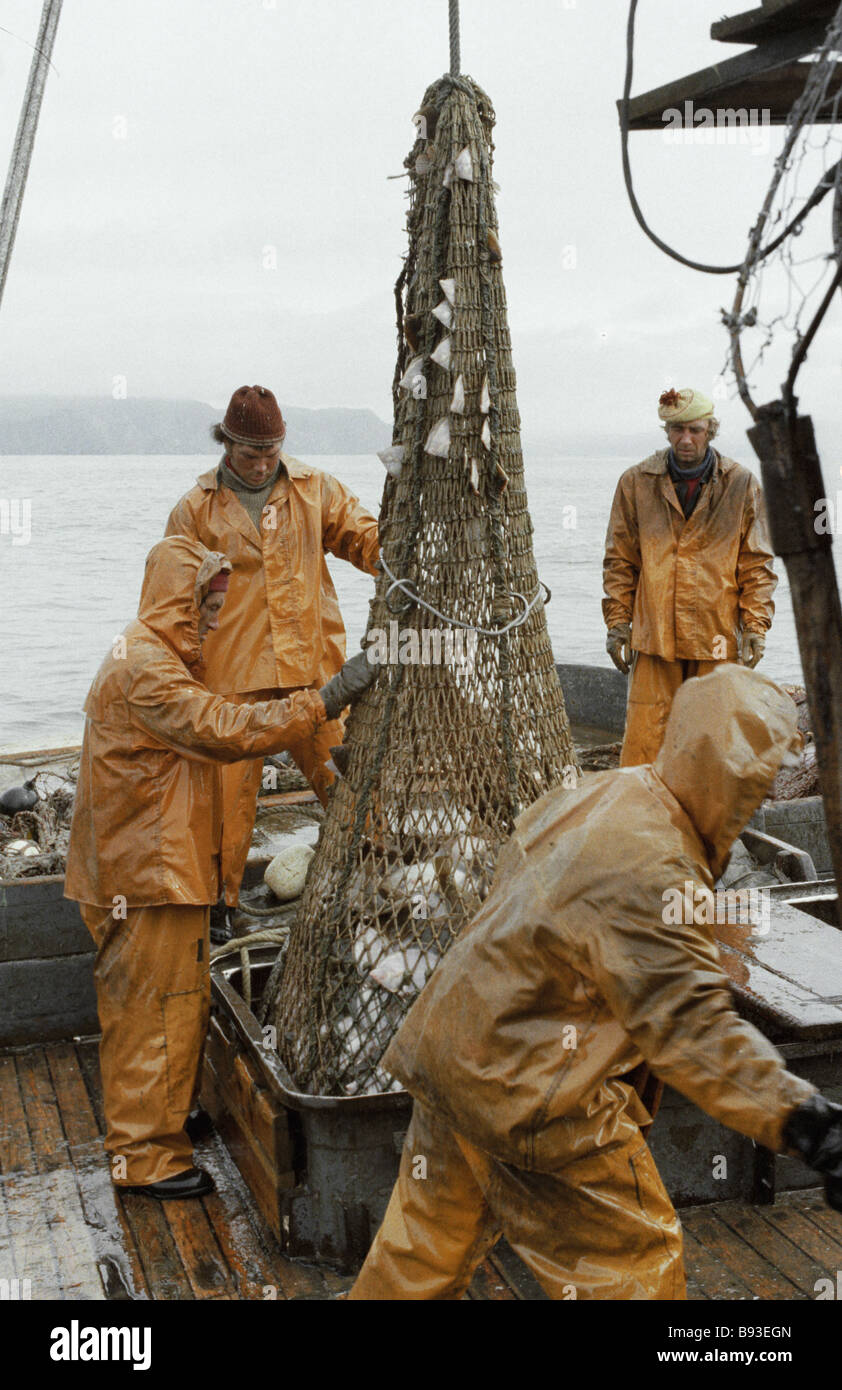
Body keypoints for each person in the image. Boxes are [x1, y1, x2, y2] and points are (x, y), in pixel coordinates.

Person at [348, 666, 842, 1300]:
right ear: (731, 780)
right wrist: (810, 1125)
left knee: (418, 1252)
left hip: (452, 1053)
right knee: (633, 1265)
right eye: (757, 781)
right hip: (529, 1096)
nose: (765, 793)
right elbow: (692, 1032)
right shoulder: (658, 868)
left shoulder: (609, 791)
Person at [64, 534, 375, 1199]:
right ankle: (144, 1158)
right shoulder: (146, 669)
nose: (213, 618)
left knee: (173, 1008)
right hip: (146, 878)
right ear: (177, 598)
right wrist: (324, 700)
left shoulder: (152, 655)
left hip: (145, 869)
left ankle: (162, 1121)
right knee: (151, 1013)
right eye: (206, 605)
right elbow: (227, 730)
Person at [164, 384, 380, 941]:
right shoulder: (195, 509)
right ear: (226, 444)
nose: (261, 466)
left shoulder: (315, 490)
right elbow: (171, 598)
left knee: (349, 780)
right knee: (223, 807)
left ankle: (376, 880)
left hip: (316, 676)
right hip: (232, 685)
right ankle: (219, 909)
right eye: (249, 454)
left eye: (271, 453)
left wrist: (404, 552)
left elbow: (365, 539)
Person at [603, 386, 777, 766]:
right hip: (655, 638)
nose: (686, 438)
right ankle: (644, 823)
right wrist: (618, 624)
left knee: (712, 747)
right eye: (677, 429)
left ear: (710, 430)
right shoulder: (635, 483)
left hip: (715, 637)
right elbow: (620, 561)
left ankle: (705, 824)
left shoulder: (741, 484)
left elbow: (757, 564)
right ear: (666, 431)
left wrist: (755, 627)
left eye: (695, 430)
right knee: (645, 747)